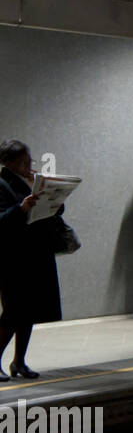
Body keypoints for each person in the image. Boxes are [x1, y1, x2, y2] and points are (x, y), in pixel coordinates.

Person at [0, 139, 62, 379]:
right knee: (13, 312)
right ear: (11, 162)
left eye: (30, 161)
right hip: (13, 258)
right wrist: (21, 209)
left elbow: (52, 210)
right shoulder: (2, 183)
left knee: (29, 312)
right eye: (25, 161)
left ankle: (19, 362)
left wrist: (55, 197)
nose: (30, 165)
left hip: (37, 253)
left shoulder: (34, 181)